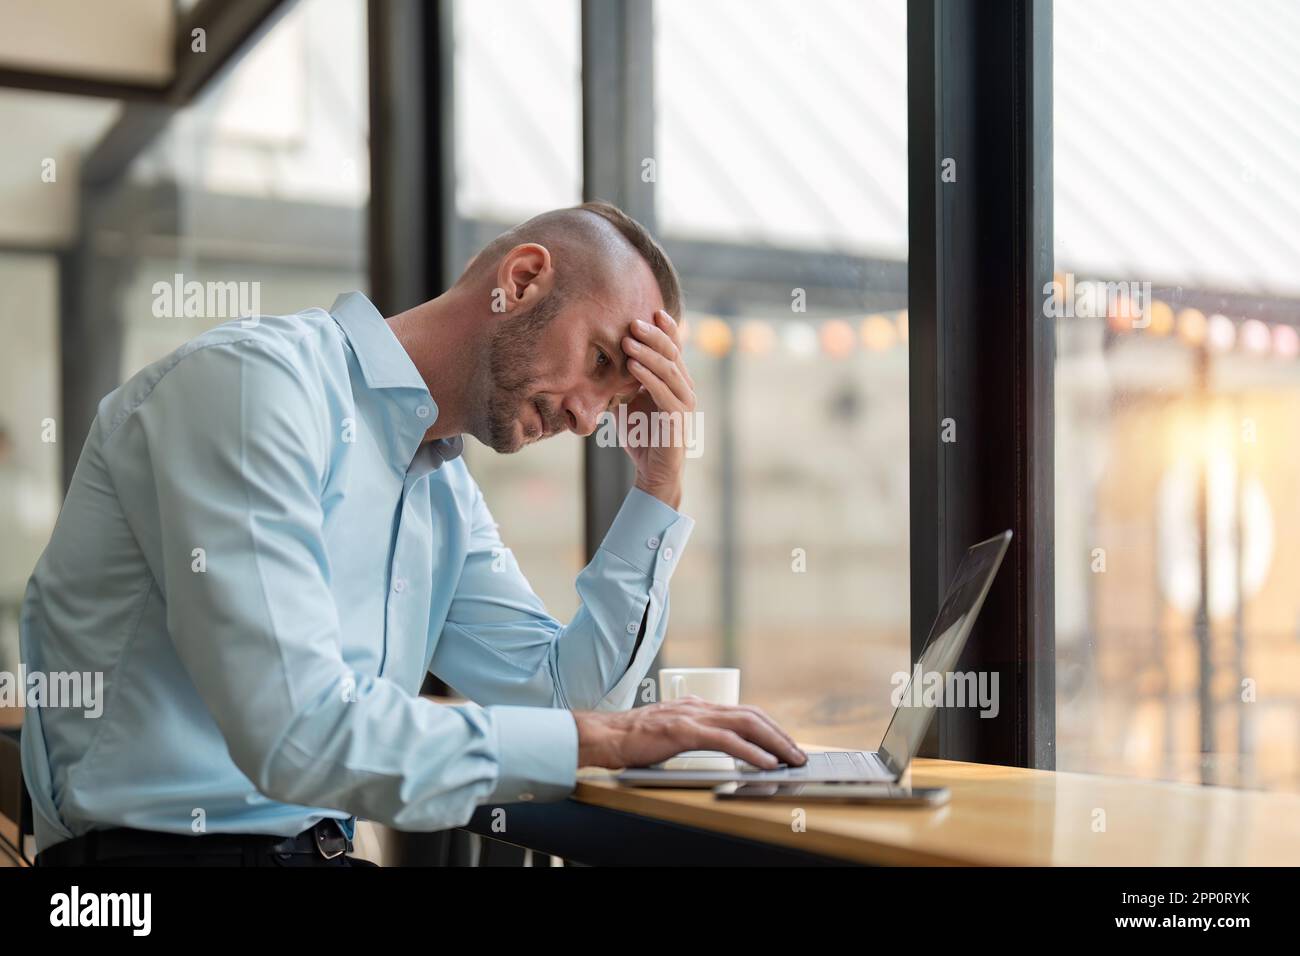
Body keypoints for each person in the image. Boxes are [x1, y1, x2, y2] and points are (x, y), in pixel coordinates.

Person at [21, 201, 805, 866]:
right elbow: (297, 734)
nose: (589, 418)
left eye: (616, 397)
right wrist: (596, 740)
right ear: (523, 281)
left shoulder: (439, 489)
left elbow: (566, 696)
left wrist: (658, 487)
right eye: (598, 360)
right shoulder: (254, 387)